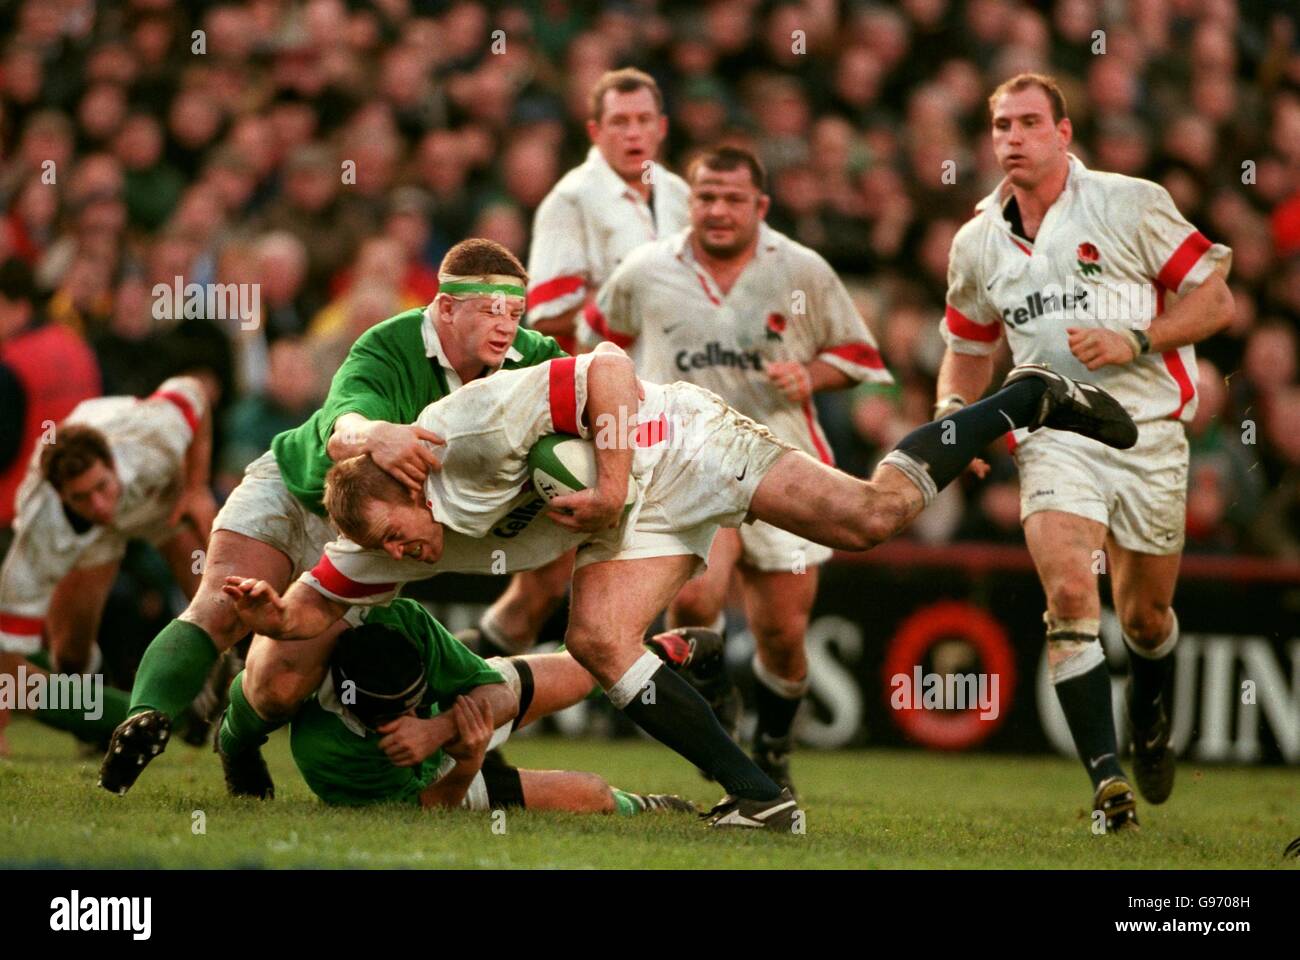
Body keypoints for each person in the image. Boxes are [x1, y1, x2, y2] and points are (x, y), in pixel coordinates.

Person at [223, 347, 1138, 830]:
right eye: (386, 548)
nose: (404, 555)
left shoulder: (457, 427)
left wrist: (614, 484)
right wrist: (267, 619)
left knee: (868, 519)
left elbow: (610, 367)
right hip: (628, 511)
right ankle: (758, 796)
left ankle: (1025, 397)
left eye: (397, 533)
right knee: (598, 640)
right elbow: (314, 609)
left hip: (675, 439)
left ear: (410, 486)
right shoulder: (383, 539)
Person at [98, 239, 572, 796]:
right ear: (445, 307)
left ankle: (235, 737)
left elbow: (593, 390)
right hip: (294, 489)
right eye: (491, 311)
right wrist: (378, 435)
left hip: (363, 538)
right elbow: (342, 426)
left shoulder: (533, 356)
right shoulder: (389, 345)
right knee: (223, 606)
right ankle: (144, 719)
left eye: (514, 313)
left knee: (280, 685)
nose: (505, 327)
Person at [933, 73, 1234, 831]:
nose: (1013, 137)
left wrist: (1135, 338)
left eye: (1030, 123)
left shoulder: (1129, 202)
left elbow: (1216, 299)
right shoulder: (975, 242)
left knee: (1144, 615)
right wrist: (952, 417)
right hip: (1053, 435)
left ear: (1064, 134)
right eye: (1001, 125)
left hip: (1148, 432)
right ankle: (1108, 785)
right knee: (1070, 597)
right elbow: (967, 348)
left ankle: (1151, 703)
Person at [581, 145, 893, 794]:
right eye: (705, 197)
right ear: (687, 201)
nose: (717, 211)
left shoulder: (801, 271)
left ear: (761, 207)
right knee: (694, 598)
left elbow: (860, 357)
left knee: (782, 634)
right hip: (686, 462)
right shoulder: (645, 270)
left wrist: (809, 374)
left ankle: (774, 741)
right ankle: (717, 714)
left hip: (783, 466)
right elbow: (596, 340)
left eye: (732, 199)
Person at [458, 68, 693, 669]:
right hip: (600, 410)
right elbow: (550, 317)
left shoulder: (681, 195)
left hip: (671, 408)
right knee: (543, 582)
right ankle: (466, 685)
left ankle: (694, 691)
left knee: (688, 569)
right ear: (596, 129)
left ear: (662, 128)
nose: (633, 132)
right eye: (620, 121)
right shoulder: (571, 200)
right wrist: (618, 320)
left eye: (644, 120)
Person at [279, 596, 699, 817]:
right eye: (394, 714)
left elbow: (496, 691)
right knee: (592, 793)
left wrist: (438, 728)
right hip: (441, 778)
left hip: (457, 715)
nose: (410, 718)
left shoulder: (403, 619)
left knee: (584, 672)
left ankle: (662, 650)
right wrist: (467, 758)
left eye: (413, 704)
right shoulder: (326, 752)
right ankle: (650, 804)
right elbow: (433, 809)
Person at [0, 375, 215, 754]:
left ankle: (220, 704)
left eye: (102, 486)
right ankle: (111, 728)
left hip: (160, 499)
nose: (99, 505)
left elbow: (194, 390)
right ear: (60, 495)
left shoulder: (152, 435)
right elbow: (7, 666)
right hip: (94, 541)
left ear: (112, 463)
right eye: (82, 497)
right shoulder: (38, 530)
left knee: (219, 606)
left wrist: (196, 486)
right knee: (69, 656)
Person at [0, 257, 101, 530]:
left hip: (16, 515)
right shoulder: (78, 347)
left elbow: (4, 448)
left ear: (19, 308)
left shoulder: (11, 363)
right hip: (78, 509)